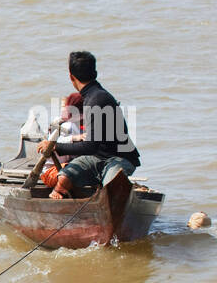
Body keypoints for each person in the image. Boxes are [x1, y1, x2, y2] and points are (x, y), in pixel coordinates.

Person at [38, 51, 140, 200]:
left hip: (119, 158)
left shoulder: (96, 99)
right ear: (95, 73)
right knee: (64, 178)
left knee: (112, 188)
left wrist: (56, 146)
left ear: (71, 77)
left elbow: (90, 146)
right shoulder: (92, 96)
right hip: (97, 158)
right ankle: (59, 192)